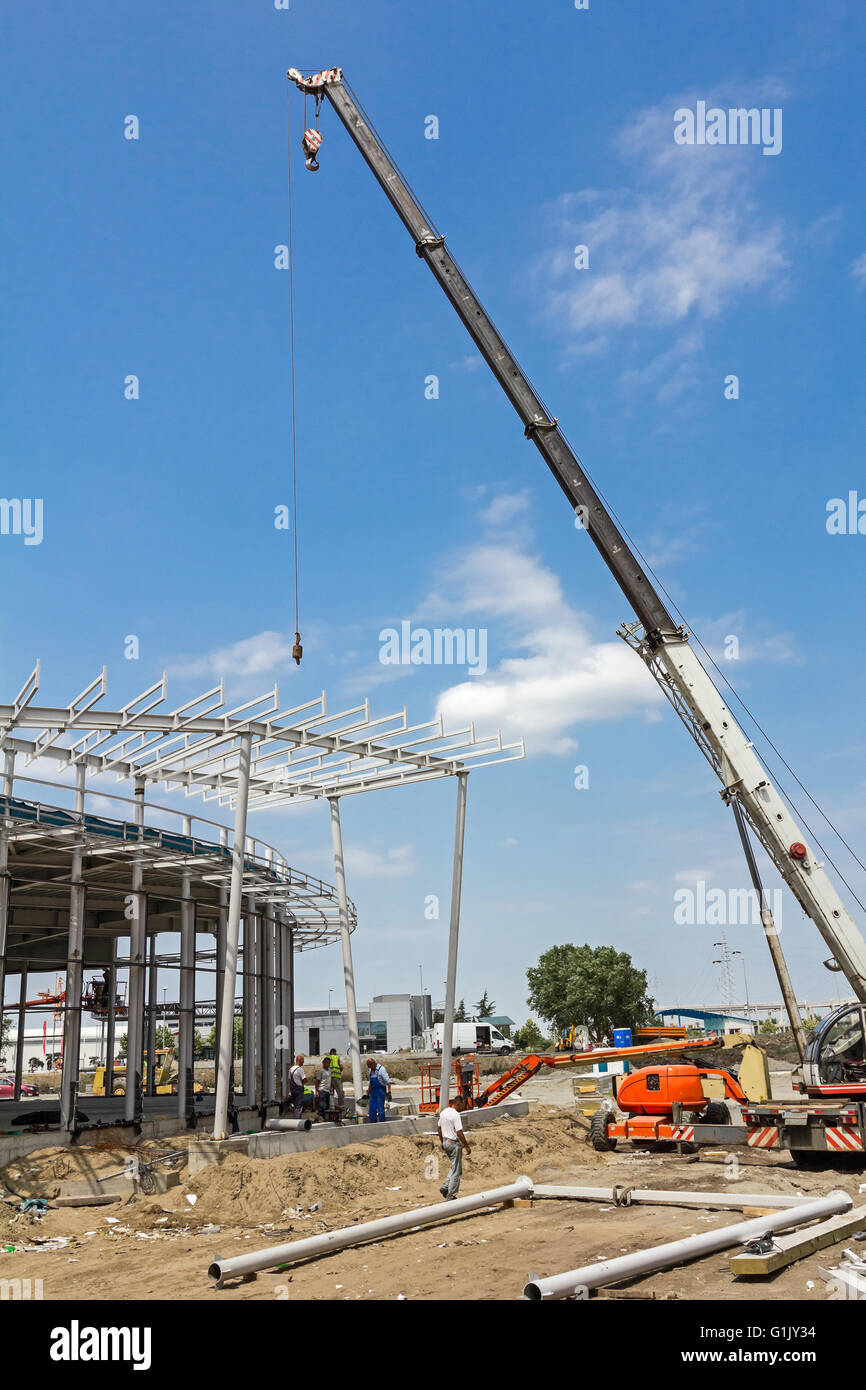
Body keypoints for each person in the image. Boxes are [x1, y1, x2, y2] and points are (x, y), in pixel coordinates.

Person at [438, 1095, 471, 1199]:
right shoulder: (456, 1115)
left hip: (446, 1142)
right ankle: (451, 1194)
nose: (463, 1107)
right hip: (453, 1143)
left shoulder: (443, 1112)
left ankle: (445, 1187)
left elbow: (439, 1128)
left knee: (454, 1166)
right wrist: (466, 1146)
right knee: (457, 1170)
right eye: (463, 1105)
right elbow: (459, 1132)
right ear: (458, 1103)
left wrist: (442, 1142)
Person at [365, 1056, 391, 1122]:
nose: (370, 1068)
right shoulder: (370, 1071)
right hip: (373, 1092)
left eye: (370, 1067)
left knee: (380, 1109)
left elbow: (388, 1082)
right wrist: (368, 1092)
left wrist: (389, 1092)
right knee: (371, 1109)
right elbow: (371, 1082)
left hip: (380, 1091)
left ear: (373, 1064)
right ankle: (373, 1123)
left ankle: (382, 1123)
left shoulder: (381, 1070)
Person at [314, 1056, 333, 1121]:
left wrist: (331, 1088)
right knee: (322, 1105)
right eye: (327, 1063)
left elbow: (330, 1080)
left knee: (327, 1105)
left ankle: (325, 1117)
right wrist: (316, 1091)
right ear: (324, 1063)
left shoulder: (330, 1070)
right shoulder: (321, 1071)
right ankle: (319, 1116)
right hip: (322, 1090)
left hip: (328, 1091)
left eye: (329, 1063)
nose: (328, 1064)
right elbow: (317, 1081)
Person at [289, 1053, 306, 1119]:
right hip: (299, 1090)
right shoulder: (300, 1069)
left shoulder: (291, 1069)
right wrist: (305, 1080)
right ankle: (297, 1120)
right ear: (300, 1060)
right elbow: (304, 1080)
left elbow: (289, 1080)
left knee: (295, 1106)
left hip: (293, 1089)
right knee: (299, 1106)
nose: (303, 1062)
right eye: (303, 1061)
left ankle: (298, 1119)